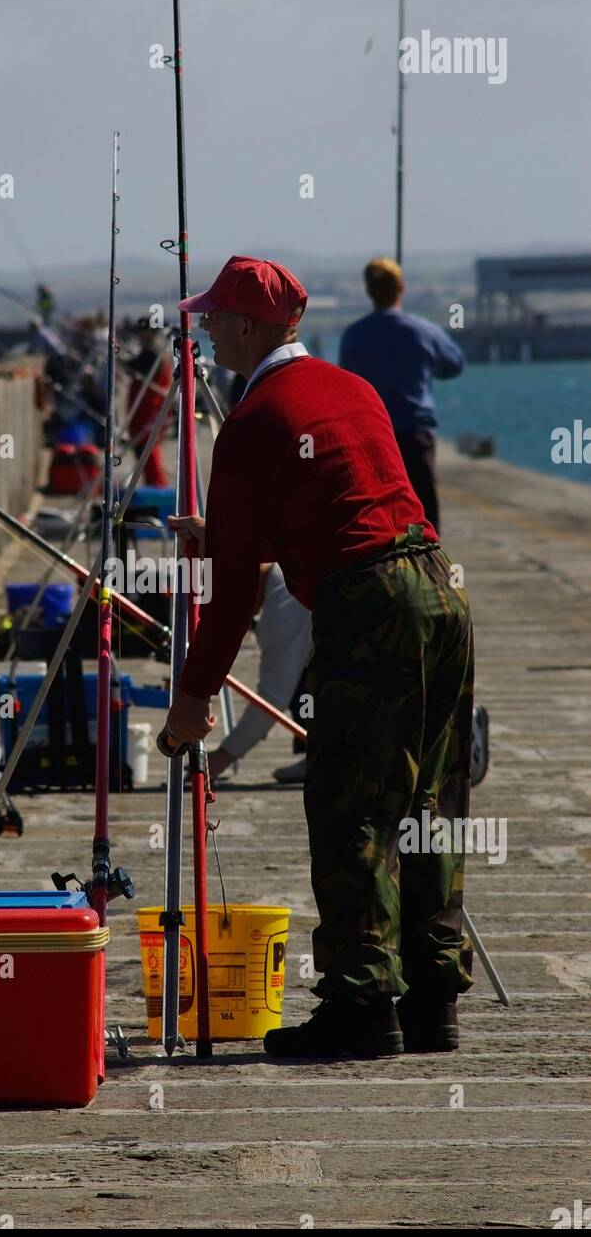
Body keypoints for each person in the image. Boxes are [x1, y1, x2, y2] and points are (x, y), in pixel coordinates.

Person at [164, 254, 474, 1059]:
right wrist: (231, 537)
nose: (201, 329)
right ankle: (434, 999)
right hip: (438, 589)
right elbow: (346, 503)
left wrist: (192, 700)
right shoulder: (349, 388)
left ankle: (362, 1007)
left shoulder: (252, 420)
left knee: (349, 806)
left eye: (209, 318)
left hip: (368, 606)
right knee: (429, 801)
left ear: (243, 326)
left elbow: (233, 597)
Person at [339, 257, 464, 534]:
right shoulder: (423, 331)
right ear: (401, 288)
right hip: (415, 434)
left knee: (379, 512)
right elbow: (454, 364)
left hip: (372, 436)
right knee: (423, 511)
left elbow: (346, 382)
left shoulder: (354, 335)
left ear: (369, 291)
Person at [207, 563, 312, 781]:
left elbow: (273, 697)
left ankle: (332, 759)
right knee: (306, 678)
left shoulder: (284, 599)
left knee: (298, 681)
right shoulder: (286, 572)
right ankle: (320, 756)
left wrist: (221, 757)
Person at [125, 322, 173, 488]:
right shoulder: (155, 353)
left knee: (149, 454)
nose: (139, 336)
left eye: (142, 332)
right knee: (145, 455)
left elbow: (139, 369)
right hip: (144, 410)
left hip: (148, 411)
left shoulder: (154, 354)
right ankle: (155, 488)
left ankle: (159, 490)